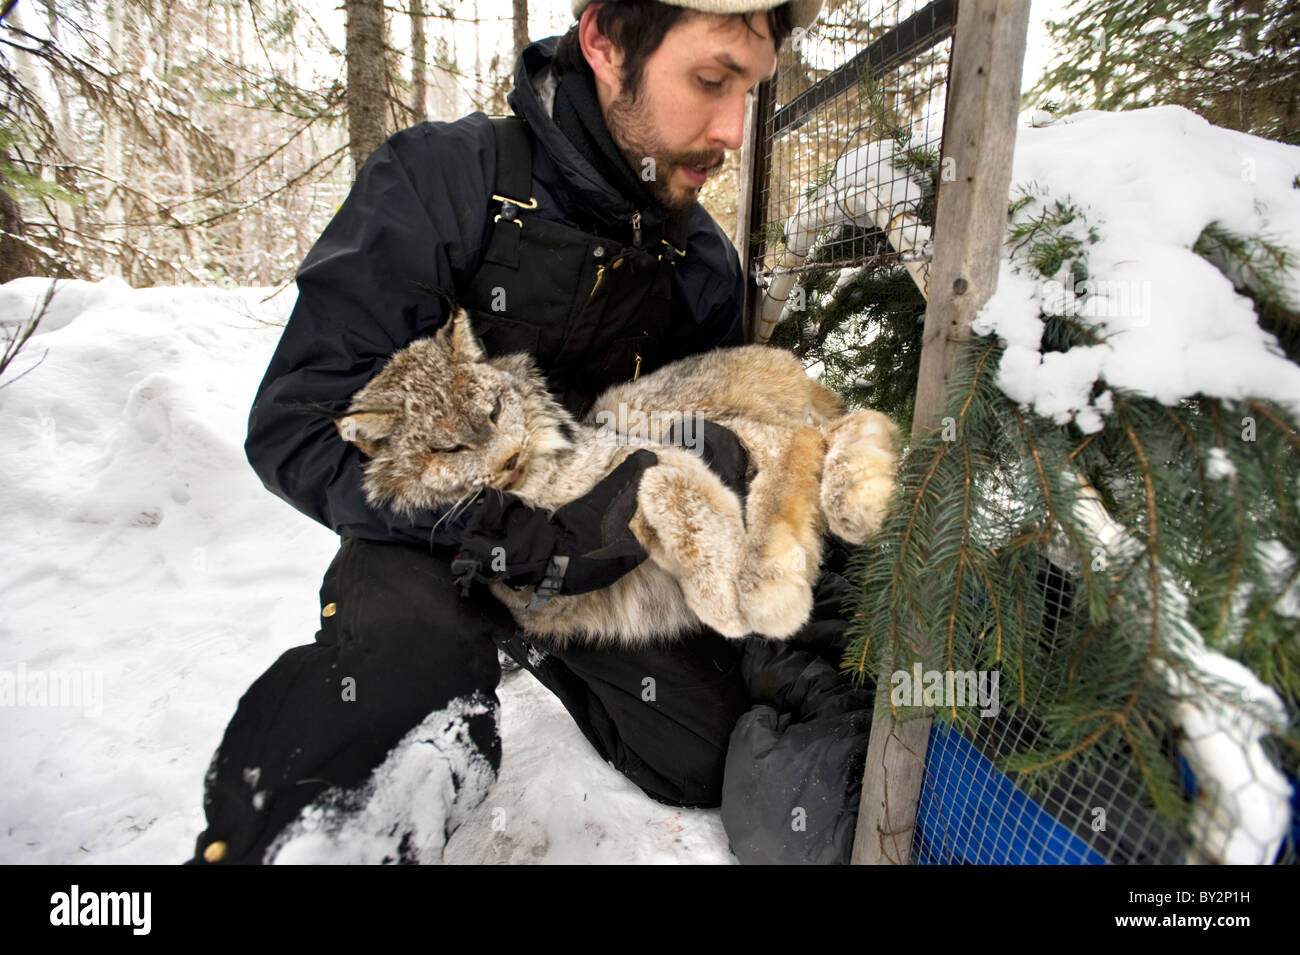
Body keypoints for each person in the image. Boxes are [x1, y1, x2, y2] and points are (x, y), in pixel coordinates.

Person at [189, 0, 870, 866]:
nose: (734, 130)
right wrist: (499, 531)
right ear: (604, 42)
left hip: (603, 568)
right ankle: (311, 838)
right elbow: (297, 423)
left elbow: (722, 434)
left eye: (751, 91)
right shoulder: (446, 181)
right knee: (401, 688)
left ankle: (541, 647)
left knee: (700, 754)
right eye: (709, 81)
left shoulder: (698, 263)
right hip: (431, 534)